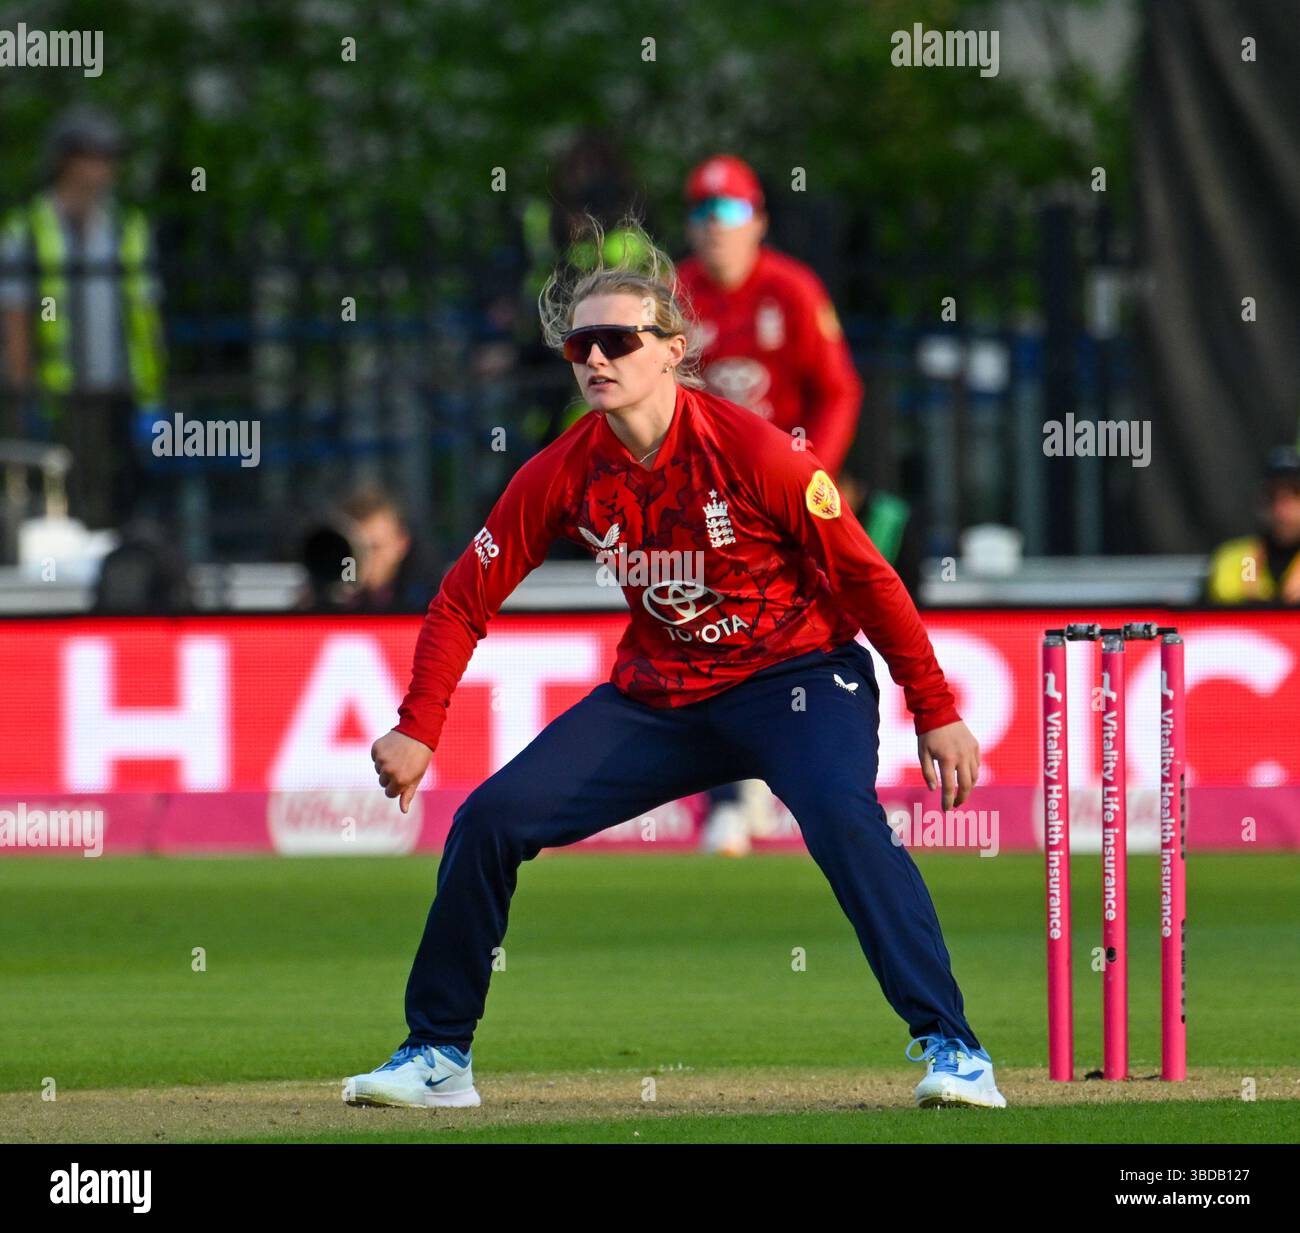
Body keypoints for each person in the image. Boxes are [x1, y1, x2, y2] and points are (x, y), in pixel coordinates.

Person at [344, 223, 1004, 1112]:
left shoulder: (757, 450)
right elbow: (463, 599)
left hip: (798, 677)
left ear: (673, 352)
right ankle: (437, 1055)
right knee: (488, 820)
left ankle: (955, 1050)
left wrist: (935, 704)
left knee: (843, 820)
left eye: (619, 340)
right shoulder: (563, 473)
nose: (597, 358)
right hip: (664, 698)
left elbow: (865, 575)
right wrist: (419, 724)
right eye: (581, 345)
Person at [677, 155, 870, 854]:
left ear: (757, 219)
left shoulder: (791, 290)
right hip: (704, 499)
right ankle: (732, 790)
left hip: (788, 489)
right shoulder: (676, 294)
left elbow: (840, 389)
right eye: (702, 213)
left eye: (728, 213)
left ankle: (804, 776)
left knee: (802, 630)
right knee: (703, 629)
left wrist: (811, 471)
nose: (715, 229)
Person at [0, 107, 166, 530]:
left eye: (108, 158)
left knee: (122, 503)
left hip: (121, 390)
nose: (103, 169)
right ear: (66, 161)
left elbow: (145, 314)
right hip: (60, 396)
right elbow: (15, 317)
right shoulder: (29, 229)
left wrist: (152, 397)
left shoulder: (127, 227)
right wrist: (23, 393)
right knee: (66, 508)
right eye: (93, 157)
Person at [1204, 445, 1300, 604]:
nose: (1282, 510)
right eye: (1272, 496)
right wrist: (1253, 598)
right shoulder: (1234, 559)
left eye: (1294, 495)